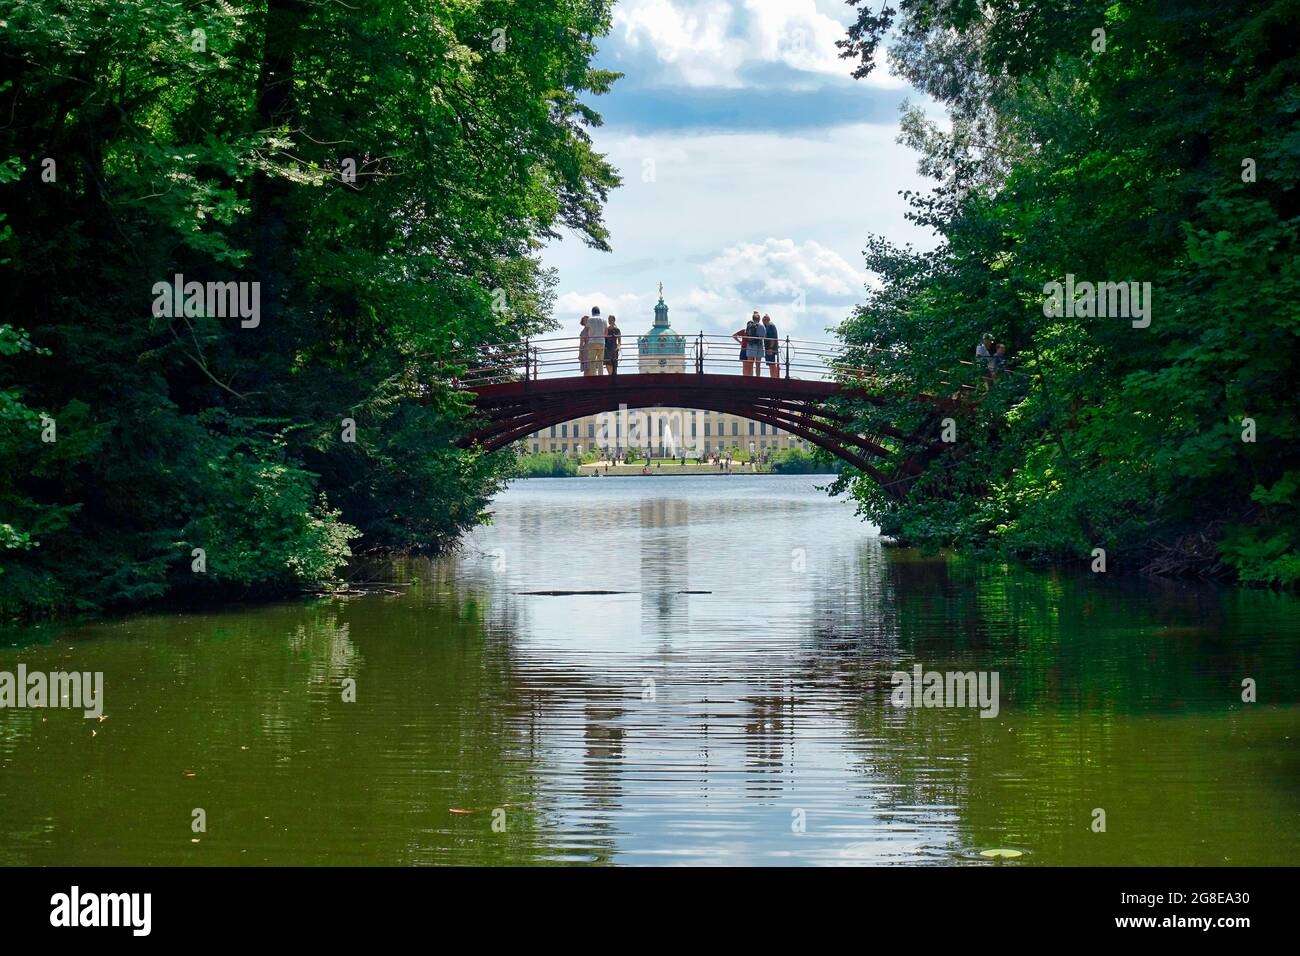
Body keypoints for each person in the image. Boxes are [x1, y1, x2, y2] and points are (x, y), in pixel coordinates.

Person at [586, 306, 607, 375]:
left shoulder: (590, 319)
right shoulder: (604, 320)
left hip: (592, 341)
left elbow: (587, 330)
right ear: (599, 312)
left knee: (592, 360)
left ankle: (593, 375)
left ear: (592, 312)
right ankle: (601, 375)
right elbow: (606, 332)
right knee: (600, 361)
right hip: (601, 342)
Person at [762, 314, 780, 378]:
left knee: (772, 363)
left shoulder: (770, 326)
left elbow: (772, 338)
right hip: (769, 347)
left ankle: (774, 377)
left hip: (770, 348)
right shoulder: (768, 326)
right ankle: (773, 377)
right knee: (771, 364)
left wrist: (770, 348)